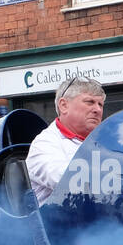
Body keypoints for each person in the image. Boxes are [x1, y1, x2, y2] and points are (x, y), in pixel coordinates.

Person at [26, 76, 106, 204]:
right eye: (89, 102)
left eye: (100, 104)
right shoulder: (45, 143)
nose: (97, 109)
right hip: (60, 222)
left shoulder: (102, 143)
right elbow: (69, 180)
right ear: (64, 105)